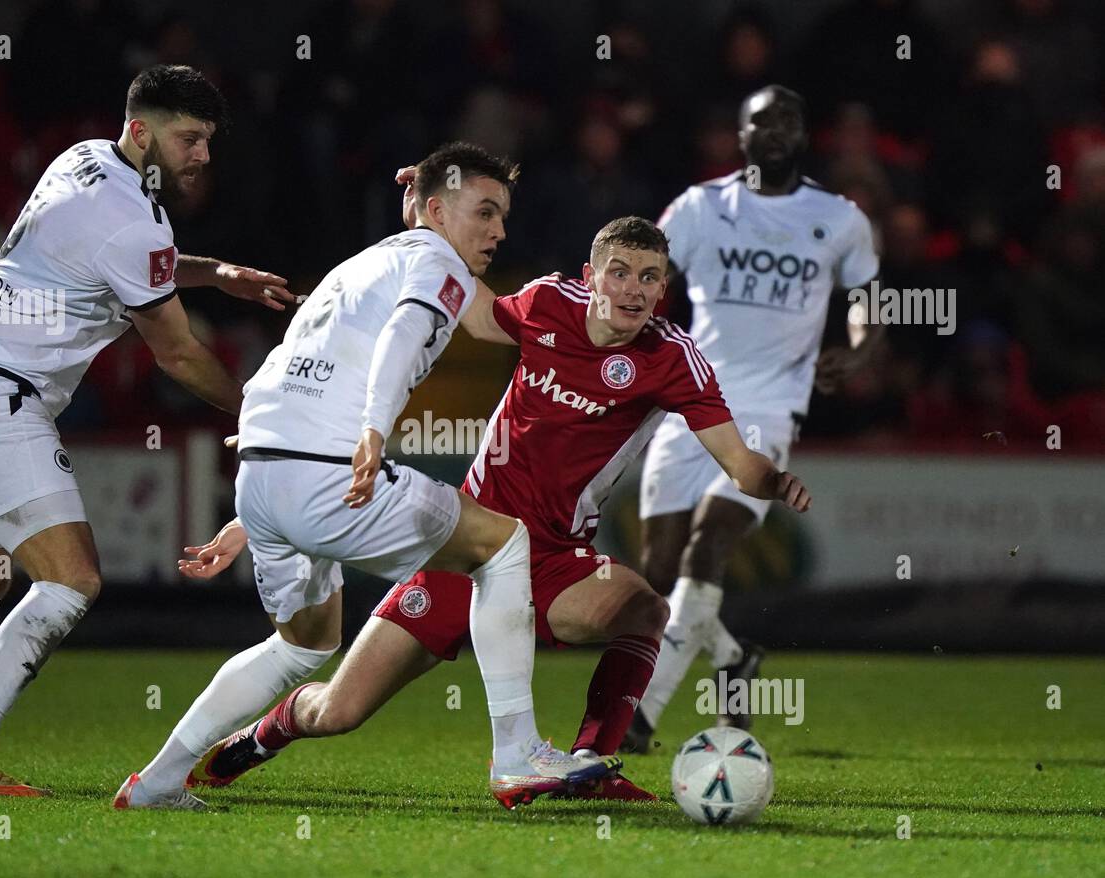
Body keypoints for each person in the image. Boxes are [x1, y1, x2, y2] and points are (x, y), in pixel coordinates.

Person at [175, 213, 810, 807]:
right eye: (619, 271)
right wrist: (432, 222)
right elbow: (467, 308)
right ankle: (267, 734)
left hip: (554, 558)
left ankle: (590, 762)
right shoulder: (544, 305)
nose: (633, 289)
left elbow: (739, 463)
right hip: (466, 545)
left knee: (643, 607)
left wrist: (775, 481)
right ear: (590, 277)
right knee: (338, 712)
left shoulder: (672, 359)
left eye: (649, 277)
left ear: (663, 288)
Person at [115, 143, 617, 812]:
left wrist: (255, 510)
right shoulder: (437, 261)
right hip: (331, 471)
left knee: (303, 646)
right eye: (485, 212)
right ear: (438, 210)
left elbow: (483, 323)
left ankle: (154, 781)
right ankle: (517, 753)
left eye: (503, 216)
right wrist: (374, 432)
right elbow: (405, 333)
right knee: (504, 544)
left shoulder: (368, 263)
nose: (498, 230)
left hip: (265, 475)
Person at [0, 65, 297, 796]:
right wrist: (256, 412)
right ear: (143, 132)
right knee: (72, 581)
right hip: (0, 399)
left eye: (207, 140)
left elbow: (128, 262)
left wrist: (218, 273)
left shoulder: (83, 159)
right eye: (190, 138)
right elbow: (175, 351)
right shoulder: (132, 222)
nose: (203, 154)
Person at [628, 85, 879, 752]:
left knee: (709, 543)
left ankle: (640, 718)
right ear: (739, 137)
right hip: (691, 406)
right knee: (655, 571)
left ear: (803, 135)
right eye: (761, 121)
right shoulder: (701, 209)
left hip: (769, 413)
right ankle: (734, 659)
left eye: (788, 120)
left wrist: (854, 352)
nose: (774, 131)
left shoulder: (838, 217)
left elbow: (867, 301)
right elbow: (644, 279)